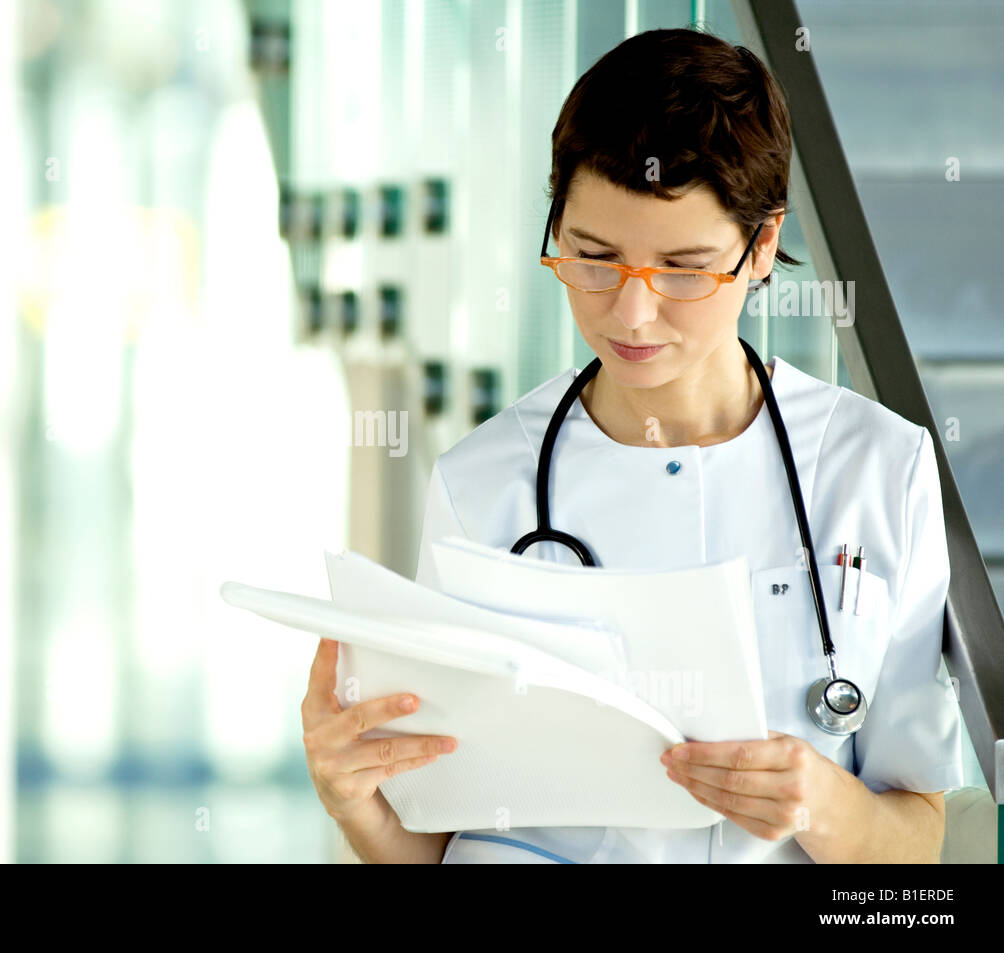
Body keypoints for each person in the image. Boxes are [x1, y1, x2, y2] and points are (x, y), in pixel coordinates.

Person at [300, 27, 962, 863]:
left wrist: (825, 805)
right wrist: (356, 804)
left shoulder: (879, 470)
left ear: (762, 247)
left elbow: (918, 842)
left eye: (685, 268)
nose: (631, 314)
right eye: (594, 257)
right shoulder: (483, 480)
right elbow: (434, 837)